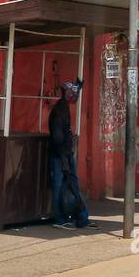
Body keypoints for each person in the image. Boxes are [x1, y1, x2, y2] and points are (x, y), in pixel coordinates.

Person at [48, 80, 97, 230]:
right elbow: (58, 138)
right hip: (61, 155)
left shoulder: (63, 107)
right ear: (68, 94)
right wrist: (64, 158)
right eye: (74, 93)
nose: (76, 96)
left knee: (73, 186)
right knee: (61, 186)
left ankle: (81, 218)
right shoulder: (59, 111)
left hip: (65, 154)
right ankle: (60, 219)